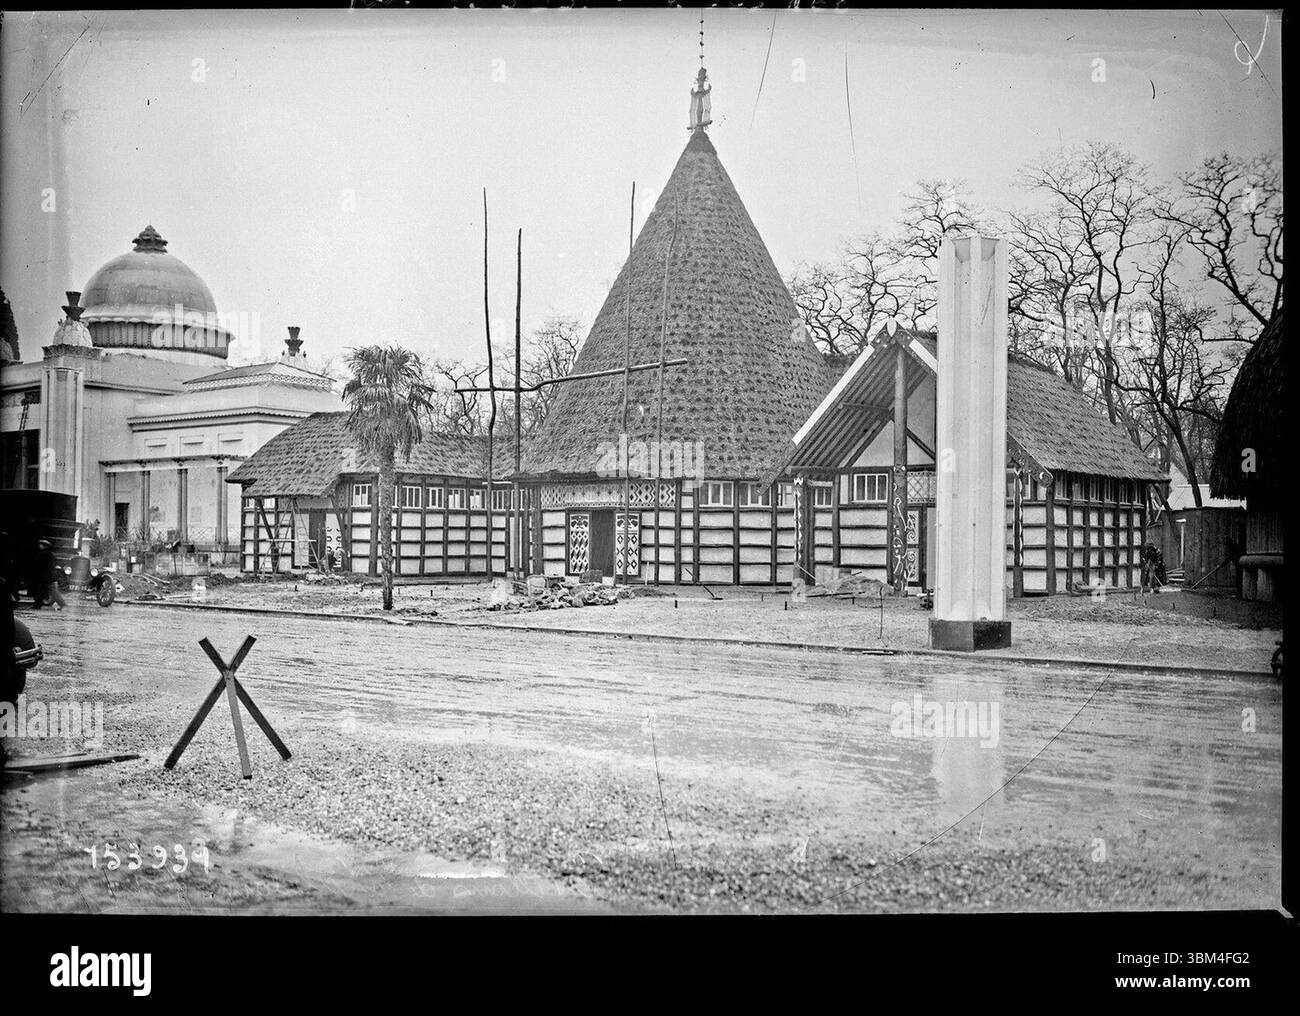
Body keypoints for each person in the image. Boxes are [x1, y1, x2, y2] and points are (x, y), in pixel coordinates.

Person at [32, 538, 67, 610]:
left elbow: (41, 567)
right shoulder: (50, 554)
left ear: (45, 546)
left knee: (47, 591)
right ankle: (37, 605)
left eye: (42, 544)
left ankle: (63, 605)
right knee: (51, 591)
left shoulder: (43, 554)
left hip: (47, 577)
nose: (40, 545)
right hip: (51, 576)